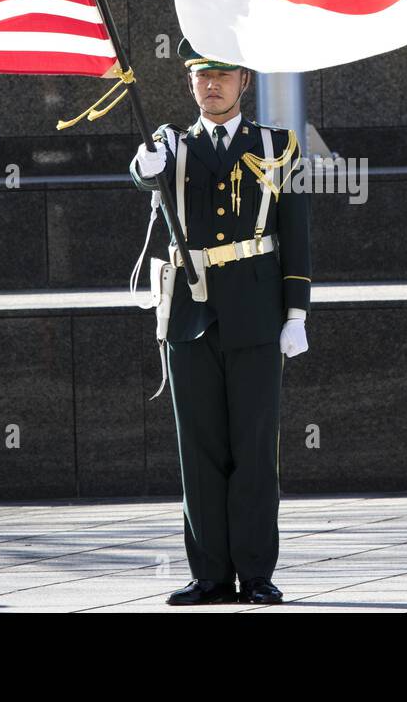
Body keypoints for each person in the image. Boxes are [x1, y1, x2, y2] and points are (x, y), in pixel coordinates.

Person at [130, 38, 311, 605]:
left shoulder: (277, 147)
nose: (212, 85)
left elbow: (296, 233)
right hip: (189, 313)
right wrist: (144, 166)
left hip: (257, 313)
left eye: (223, 75)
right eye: (202, 76)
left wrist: (297, 313)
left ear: (243, 81)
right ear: (189, 83)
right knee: (200, 449)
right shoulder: (169, 147)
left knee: (255, 448)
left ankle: (256, 573)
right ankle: (209, 574)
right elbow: (140, 174)